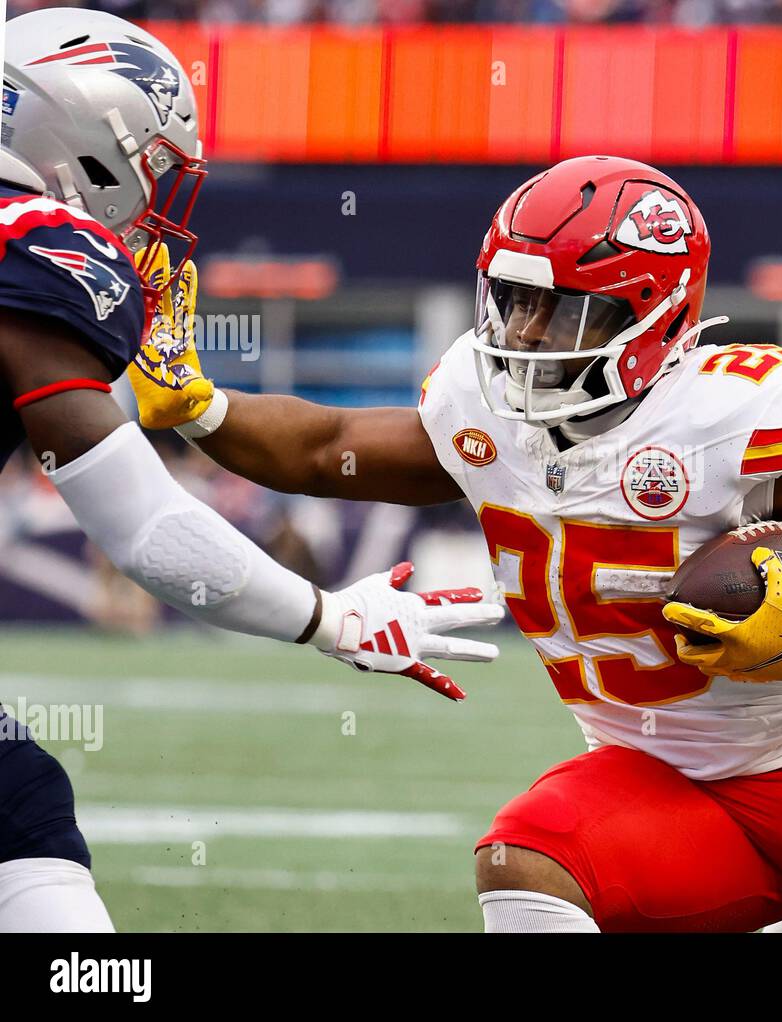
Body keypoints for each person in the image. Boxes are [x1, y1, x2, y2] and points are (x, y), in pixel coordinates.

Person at [138, 154, 782, 932]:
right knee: (526, 862)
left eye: (563, 311)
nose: (524, 334)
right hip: (650, 775)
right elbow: (325, 448)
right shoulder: (483, 408)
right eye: (513, 301)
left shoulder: (729, 410)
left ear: (651, 316)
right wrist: (200, 407)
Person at [0, 7, 501, 933]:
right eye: (150, 163)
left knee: (21, 813)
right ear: (80, 141)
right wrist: (328, 616)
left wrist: (199, 409)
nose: (151, 196)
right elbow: (138, 521)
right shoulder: (33, 238)